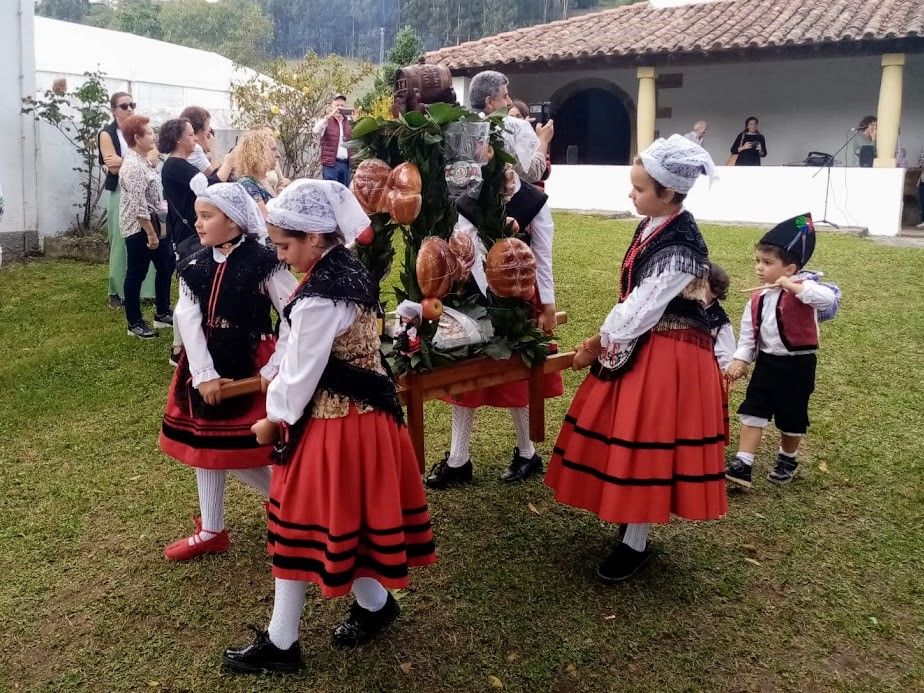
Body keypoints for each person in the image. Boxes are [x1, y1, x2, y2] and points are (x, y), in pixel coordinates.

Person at [222, 180, 436, 675]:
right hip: (364, 418)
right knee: (344, 521)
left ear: (316, 237)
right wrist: (273, 374)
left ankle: (283, 642)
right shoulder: (343, 270)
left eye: (284, 245)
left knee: (294, 521)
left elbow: (302, 371)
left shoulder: (320, 295)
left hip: (339, 422)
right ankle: (376, 604)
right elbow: (295, 349)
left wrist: (274, 416)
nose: (280, 254)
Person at [544, 135, 726, 583]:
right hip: (647, 345)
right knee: (625, 430)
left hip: (670, 356)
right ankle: (630, 521)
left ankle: (636, 541)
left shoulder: (681, 249)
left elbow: (641, 309)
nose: (632, 193)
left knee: (648, 442)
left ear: (669, 194)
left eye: (641, 188)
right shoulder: (654, 224)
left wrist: (596, 342)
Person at [426, 69, 562, 490]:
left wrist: (547, 301)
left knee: (511, 366)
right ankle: (468, 457)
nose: (508, 99)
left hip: (510, 279)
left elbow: (539, 244)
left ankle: (521, 452)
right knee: (471, 366)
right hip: (484, 279)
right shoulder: (506, 138)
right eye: (504, 94)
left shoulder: (526, 198)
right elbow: (533, 170)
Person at [159, 183, 298, 561]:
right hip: (205, 366)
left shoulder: (264, 262)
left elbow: (292, 315)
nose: (198, 224)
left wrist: (274, 367)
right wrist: (202, 374)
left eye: (207, 216)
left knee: (252, 446)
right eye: (198, 216)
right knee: (207, 445)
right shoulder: (194, 264)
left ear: (234, 223)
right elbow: (186, 317)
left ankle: (289, 504)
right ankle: (212, 529)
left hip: (252, 364)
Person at [724, 214, 837, 488]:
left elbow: (828, 299)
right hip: (767, 363)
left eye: (767, 263)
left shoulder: (807, 287)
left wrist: (793, 287)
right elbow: (749, 335)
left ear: (789, 269)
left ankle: (788, 458)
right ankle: (743, 463)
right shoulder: (758, 297)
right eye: (758, 262)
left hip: (798, 366)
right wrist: (740, 360)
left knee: (792, 417)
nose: (760, 268)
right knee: (754, 410)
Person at [117, 115, 174, 340]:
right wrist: (150, 234)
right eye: (150, 133)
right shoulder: (132, 166)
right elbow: (139, 205)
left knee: (165, 266)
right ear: (137, 137)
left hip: (155, 224)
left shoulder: (142, 161)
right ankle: (134, 322)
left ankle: (161, 312)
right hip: (139, 229)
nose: (154, 136)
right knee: (136, 274)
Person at [98, 91, 155, 308]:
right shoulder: (107, 133)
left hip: (143, 189)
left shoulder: (141, 129)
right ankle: (117, 291)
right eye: (124, 106)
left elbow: (153, 156)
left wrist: (126, 162)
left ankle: (146, 291)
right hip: (119, 192)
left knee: (147, 236)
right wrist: (137, 161)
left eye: (132, 104)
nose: (129, 108)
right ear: (113, 110)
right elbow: (112, 166)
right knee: (121, 240)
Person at [159, 118, 236, 261]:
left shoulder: (179, 164)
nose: (195, 138)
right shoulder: (175, 165)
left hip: (192, 231)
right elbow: (208, 187)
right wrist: (228, 162)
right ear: (177, 139)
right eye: (190, 135)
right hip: (189, 235)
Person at [235, 128, 279, 218]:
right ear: (259, 152)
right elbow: (264, 219)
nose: (278, 155)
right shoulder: (247, 184)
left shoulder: (263, 179)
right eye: (273, 150)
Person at [510, 98, 552, 189]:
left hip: (536, 193)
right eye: (511, 117)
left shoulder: (536, 138)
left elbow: (546, 170)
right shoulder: (507, 141)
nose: (516, 121)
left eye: (518, 116)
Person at [313, 94, 353, 186]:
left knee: (344, 193)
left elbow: (355, 138)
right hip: (331, 165)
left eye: (342, 106)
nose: (339, 108)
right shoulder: (326, 122)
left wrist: (355, 119)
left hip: (346, 165)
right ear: (332, 106)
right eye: (337, 105)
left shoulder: (348, 122)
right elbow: (316, 130)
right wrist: (329, 116)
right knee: (331, 193)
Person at [705, 261, 734, 371]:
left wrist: (729, 367)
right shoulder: (678, 307)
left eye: (700, 284)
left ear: (715, 292)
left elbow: (726, 353)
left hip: (703, 369)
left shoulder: (719, 320)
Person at [180, 106, 216, 175]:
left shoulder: (184, 147)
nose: (210, 130)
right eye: (208, 126)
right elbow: (216, 176)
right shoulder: (195, 149)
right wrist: (213, 148)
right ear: (200, 131)